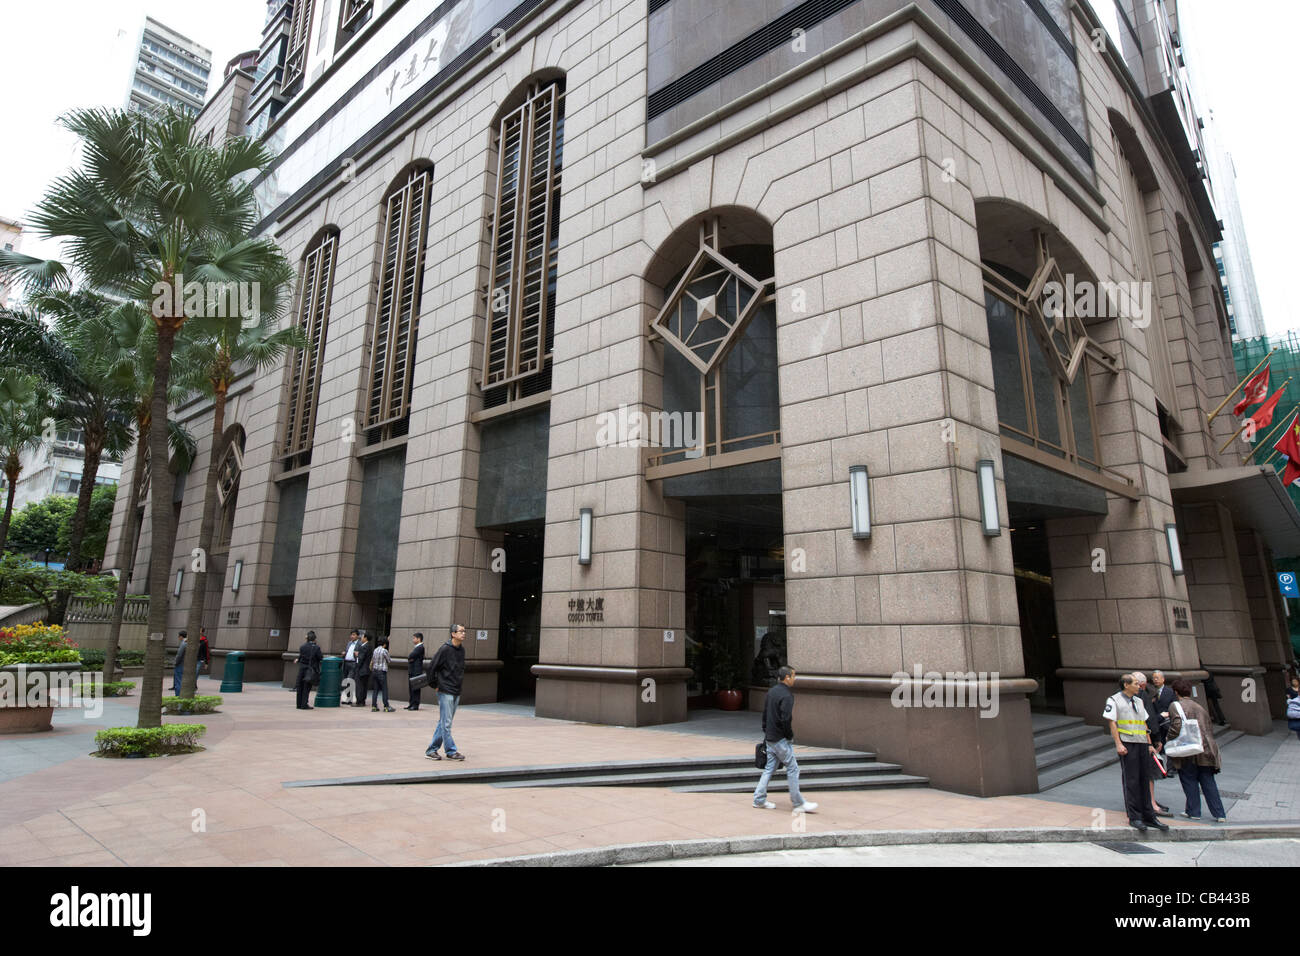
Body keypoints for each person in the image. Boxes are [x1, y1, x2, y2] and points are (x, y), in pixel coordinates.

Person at [1102, 673, 1169, 833]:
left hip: (1141, 744)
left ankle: (1149, 815)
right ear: (1126, 685)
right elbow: (1112, 723)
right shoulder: (1114, 700)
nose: (1139, 686)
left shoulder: (1139, 701)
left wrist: (1149, 744)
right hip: (1127, 743)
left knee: (1144, 779)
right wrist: (1118, 744)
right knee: (1131, 780)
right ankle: (1135, 817)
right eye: (1136, 684)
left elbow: (1144, 724)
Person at [752, 666, 818, 813]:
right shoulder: (787, 695)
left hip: (770, 737)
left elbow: (765, 714)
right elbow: (786, 718)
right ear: (787, 677)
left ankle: (759, 799)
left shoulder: (772, 692)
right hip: (780, 739)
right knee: (793, 768)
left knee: (769, 768)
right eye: (793, 676)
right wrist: (789, 735)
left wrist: (766, 730)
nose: (795, 679)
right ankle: (798, 803)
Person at [1166, 678, 1226, 822]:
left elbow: (1176, 725)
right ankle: (1219, 814)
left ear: (1175, 692)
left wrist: (1169, 738)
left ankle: (1194, 811)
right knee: (1208, 781)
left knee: (1189, 779)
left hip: (1188, 749)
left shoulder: (1176, 706)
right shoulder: (1200, 707)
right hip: (1206, 749)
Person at [425, 624, 467, 761]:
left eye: (464, 631)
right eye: (461, 631)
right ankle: (451, 751)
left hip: (456, 690)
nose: (463, 633)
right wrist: (435, 685)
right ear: (453, 634)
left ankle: (431, 750)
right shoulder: (445, 649)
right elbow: (431, 667)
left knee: (444, 722)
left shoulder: (461, 650)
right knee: (446, 723)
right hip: (445, 690)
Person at [1138, 671, 1173, 817]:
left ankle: (1150, 801)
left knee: (1146, 773)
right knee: (1149, 773)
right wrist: (1153, 741)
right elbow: (1148, 720)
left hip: (1143, 739)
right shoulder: (1141, 696)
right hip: (1143, 741)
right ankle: (1150, 804)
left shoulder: (1139, 696)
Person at [295, 630, 323, 710]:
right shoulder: (316, 648)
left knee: (300, 686)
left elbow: (300, 657)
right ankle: (304, 704)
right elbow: (320, 657)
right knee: (306, 687)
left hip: (302, 669)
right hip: (310, 669)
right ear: (314, 639)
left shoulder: (302, 646)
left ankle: (299, 704)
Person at [370, 636, 394, 712]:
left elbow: (373, 660)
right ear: (385, 644)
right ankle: (386, 706)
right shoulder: (384, 651)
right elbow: (389, 660)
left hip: (375, 671)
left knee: (375, 689)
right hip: (382, 672)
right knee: (384, 689)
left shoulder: (375, 650)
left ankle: (374, 706)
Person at [405, 632, 426, 711]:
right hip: (412, 670)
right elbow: (410, 658)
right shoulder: (417, 647)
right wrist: (411, 659)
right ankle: (411, 704)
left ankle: (415, 705)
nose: (413, 639)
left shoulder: (420, 647)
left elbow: (411, 656)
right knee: (411, 688)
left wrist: (411, 659)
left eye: (414, 638)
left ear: (418, 639)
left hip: (416, 671)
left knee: (416, 688)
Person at [353, 631, 374, 708]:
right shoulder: (370, 646)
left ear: (365, 638)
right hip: (367, 670)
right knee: (364, 686)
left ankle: (359, 701)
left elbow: (361, 659)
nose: (361, 638)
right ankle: (362, 700)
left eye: (362, 637)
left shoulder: (363, 646)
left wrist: (357, 656)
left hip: (362, 669)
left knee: (359, 686)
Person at [342, 629, 361, 701]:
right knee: (345, 680)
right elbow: (347, 651)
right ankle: (347, 698)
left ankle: (349, 698)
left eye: (354, 635)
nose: (352, 636)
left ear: (357, 636)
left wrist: (358, 654)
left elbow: (361, 654)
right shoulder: (349, 643)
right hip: (346, 663)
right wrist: (344, 654)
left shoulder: (359, 644)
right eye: (351, 635)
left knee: (349, 680)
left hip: (353, 663)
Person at [171, 630, 188, 697]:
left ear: (181, 636)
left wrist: (175, 663)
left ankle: (178, 696)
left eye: (178, 636)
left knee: (178, 682)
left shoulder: (183, 644)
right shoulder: (188, 643)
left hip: (180, 665)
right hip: (185, 665)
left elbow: (179, 655)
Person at [1286, 675, 1300, 741]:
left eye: (1295, 681)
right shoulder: (1294, 701)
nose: (1294, 682)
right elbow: (1290, 713)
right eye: (1293, 681)